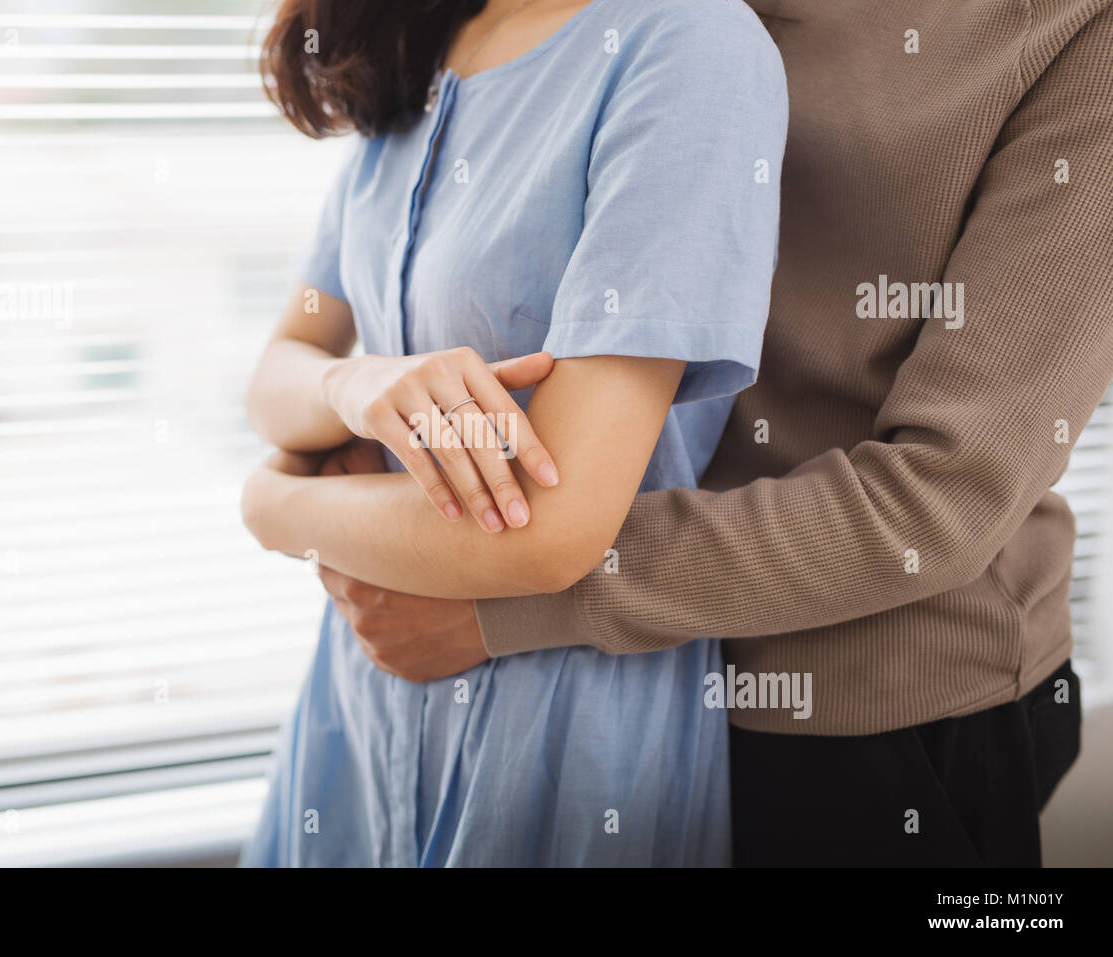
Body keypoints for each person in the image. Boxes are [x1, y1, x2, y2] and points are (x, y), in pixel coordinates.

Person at [304, 0, 1113, 865]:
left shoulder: (1074, 34)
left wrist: (509, 600)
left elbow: (942, 497)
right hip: (605, 682)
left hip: (869, 706)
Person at [240, 0, 787, 865]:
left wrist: (274, 504)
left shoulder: (690, 46)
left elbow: (551, 534)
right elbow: (286, 363)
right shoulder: (419, 43)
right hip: (352, 701)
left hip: (561, 737)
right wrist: (359, 382)